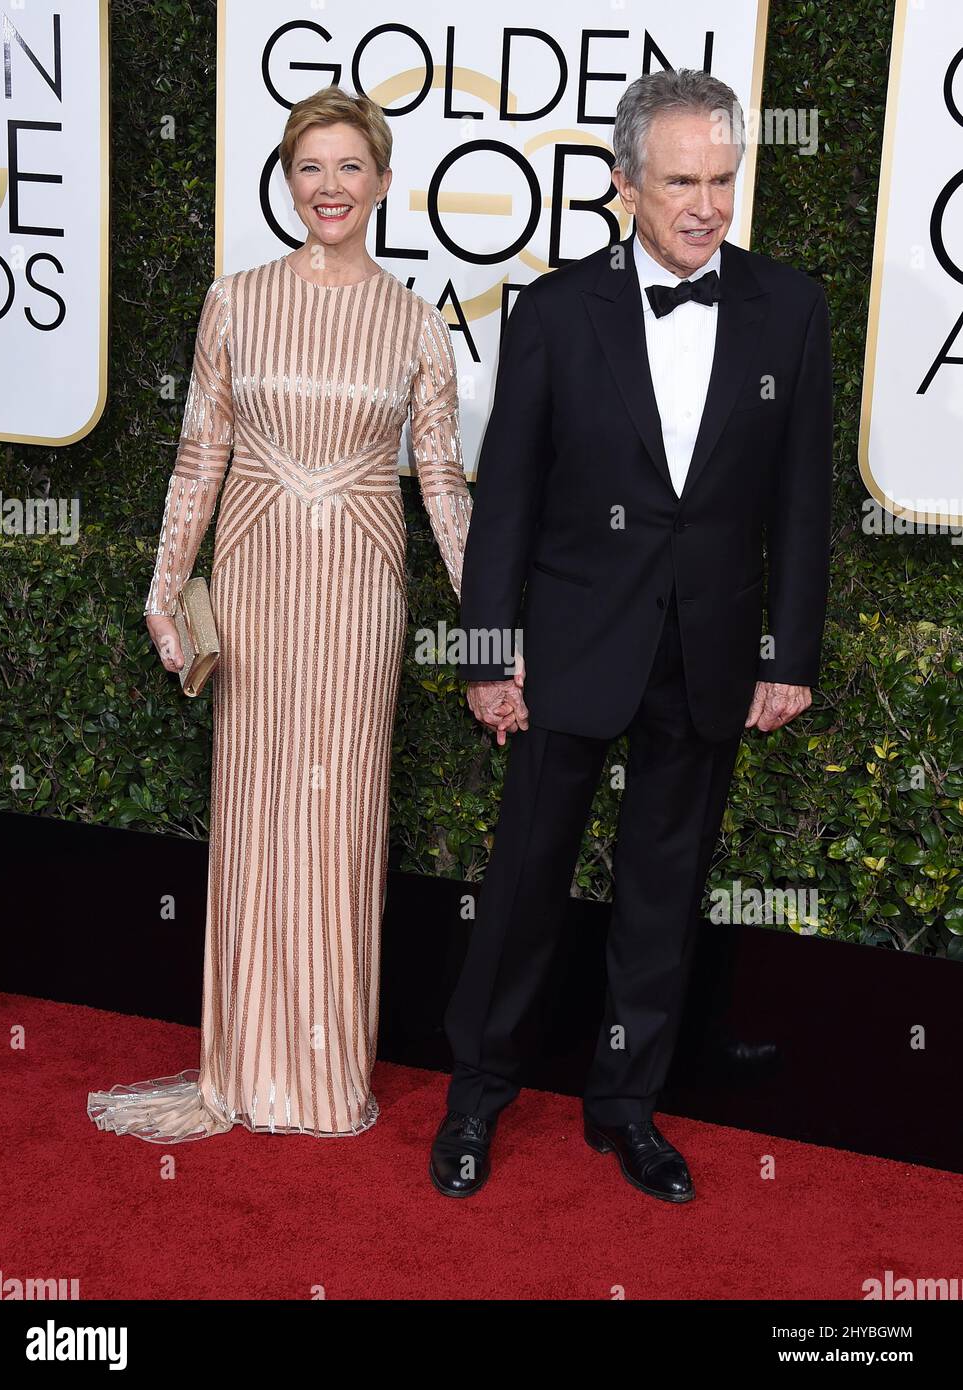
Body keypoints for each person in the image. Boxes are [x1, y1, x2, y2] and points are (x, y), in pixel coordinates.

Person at [429, 68, 833, 1200]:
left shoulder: (790, 307)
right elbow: (505, 495)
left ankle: (626, 1108)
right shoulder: (558, 308)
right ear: (623, 186)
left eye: (722, 180)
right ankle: (475, 1099)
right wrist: (483, 652)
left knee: (665, 890)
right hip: (570, 643)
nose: (705, 205)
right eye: (680, 183)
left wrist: (787, 653)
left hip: (708, 651)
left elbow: (803, 500)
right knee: (524, 883)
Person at [87, 85, 472, 1141]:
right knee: (257, 809)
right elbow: (199, 456)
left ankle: (324, 1072)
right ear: (288, 181)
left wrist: (489, 625)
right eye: (312, 167)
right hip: (254, 583)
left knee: (340, 813)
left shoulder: (412, 321)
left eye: (352, 167)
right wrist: (164, 592)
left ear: (385, 183)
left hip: (359, 591)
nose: (331, 187)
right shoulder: (236, 300)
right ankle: (247, 1064)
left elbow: (440, 480)